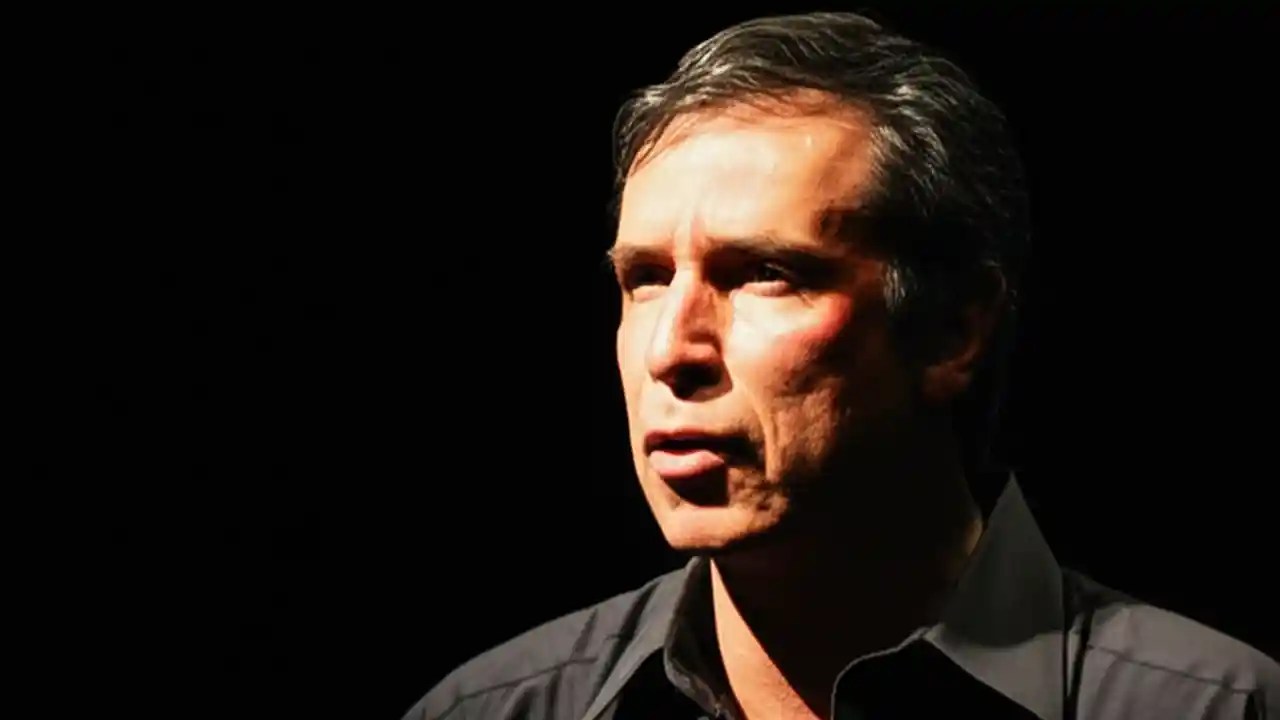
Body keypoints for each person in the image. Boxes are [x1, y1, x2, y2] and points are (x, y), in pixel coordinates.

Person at [405, 11, 1278, 720]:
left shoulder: (1215, 708)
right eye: (645, 279)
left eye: (764, 273)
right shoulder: (497, 710)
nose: (672, 350)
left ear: (954, 332)